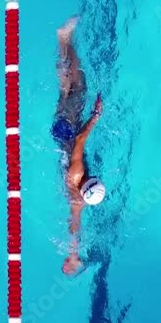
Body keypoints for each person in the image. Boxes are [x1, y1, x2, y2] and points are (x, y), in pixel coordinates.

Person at [51, 17, 106, 276]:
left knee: (78, 83)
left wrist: (95, 116)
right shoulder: (77, 201)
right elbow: (74, 226)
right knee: (65, 91)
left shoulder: (76, 172)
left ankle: (64, 39)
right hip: (62, 137)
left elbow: (80, 142)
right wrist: (72, 256)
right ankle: (63, 44)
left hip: (66, 131)